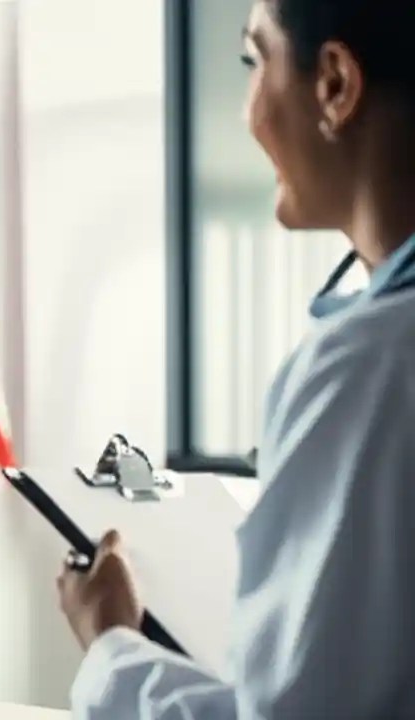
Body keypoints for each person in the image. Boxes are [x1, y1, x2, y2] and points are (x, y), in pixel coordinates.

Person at [56, 0, 415, 717]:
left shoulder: (368, 367)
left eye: (256, 61)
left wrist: (110, 644)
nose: (247, 112)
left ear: (335, 85)